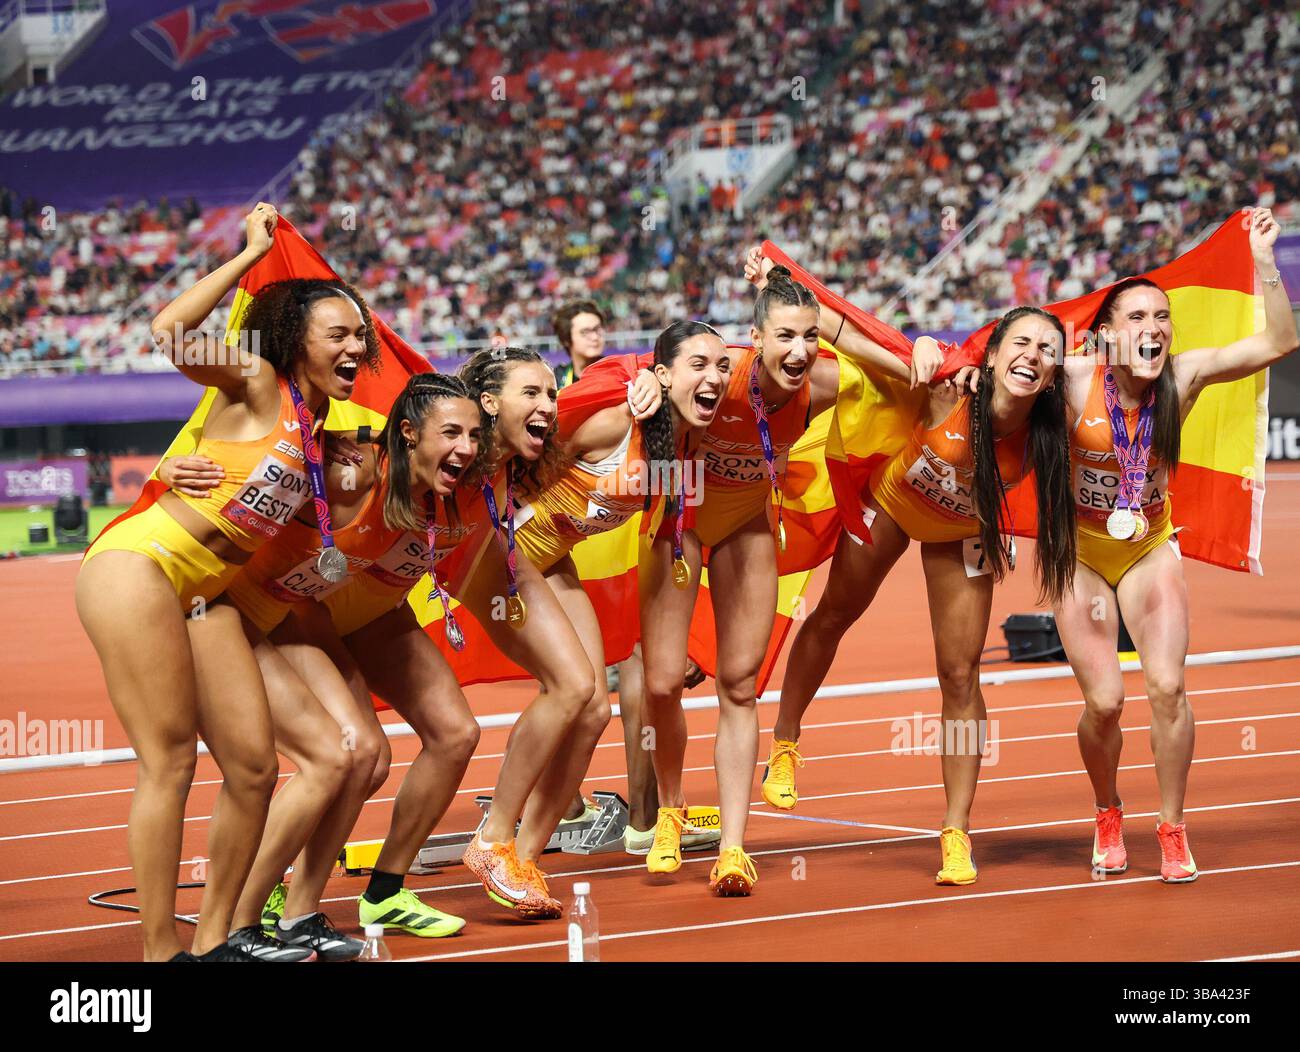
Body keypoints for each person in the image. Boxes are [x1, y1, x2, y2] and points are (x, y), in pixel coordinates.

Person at [75, 203, 377, 960]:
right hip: (141, 566)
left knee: (253, 767)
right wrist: (247, 255)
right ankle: (159, 952)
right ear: (294, 340)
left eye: (360, 335)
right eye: (338, 333)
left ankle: (215, 940)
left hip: (205, 594)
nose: (357, 345)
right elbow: (169, 331)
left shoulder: (322, 433)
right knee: (171, 761)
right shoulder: (255, 380)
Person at [639, 258, 942, 896]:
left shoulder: (820, 385)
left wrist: (920, 347)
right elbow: (642, 372)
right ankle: (669, 811)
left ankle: (731, 850)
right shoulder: (719, 377)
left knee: (740, 685)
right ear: (757, 338)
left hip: (749, 526)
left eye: (811, 335)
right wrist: (638, 384)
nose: (800, 350)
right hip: (685, 527)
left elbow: (890, 371)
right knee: (663, 682)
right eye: (785, 336)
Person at [160, 372, 487, 955]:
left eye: (475, 435)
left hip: (290, 614)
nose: (466, 447)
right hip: (227, 611)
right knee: (322, 759)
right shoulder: (348, 473)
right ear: (408, 434)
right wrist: (171, 465)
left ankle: (299, 914)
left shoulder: (450, 484)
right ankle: (238, 921)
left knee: (366, 758)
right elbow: (249, 450)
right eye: (452, 433)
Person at [764, 304, 1078, 885]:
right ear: (993, 350)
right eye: (1022, 343)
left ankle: (955, 831)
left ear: (1057, 371)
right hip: (893, 504)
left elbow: (1130, 389)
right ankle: (785, 741)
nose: (1033, 356)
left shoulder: (1052, 425)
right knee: (834, 613)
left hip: (964, 533)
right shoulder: (948, 387)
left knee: (960, 676)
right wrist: (921, 344)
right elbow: (848, 336)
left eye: (1047, 350)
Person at [1053, 206, 1297, 883]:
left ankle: (1171, 825)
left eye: (1161, 317)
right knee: (1103, 702)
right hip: (1081, 556)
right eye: (1136, 317)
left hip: (1149, 546)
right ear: (1105, 334)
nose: (1153, 328)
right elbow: (998, 379)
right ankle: (1107, 810)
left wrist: (1265, 264)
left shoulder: (1182, 377)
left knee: (1166, 687)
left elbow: (1277, 343)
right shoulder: (1074, 380)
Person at [509, 321, 730, 876]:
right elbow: (524, 451)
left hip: (554, 561)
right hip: (507, 556)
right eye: (698, 367)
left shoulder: (684, 445)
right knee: (571, 693)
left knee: (591, 708)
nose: (714, 378)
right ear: (661, 375)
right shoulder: (613, 423)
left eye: (721, 368)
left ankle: (522, 853)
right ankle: (503, 833)